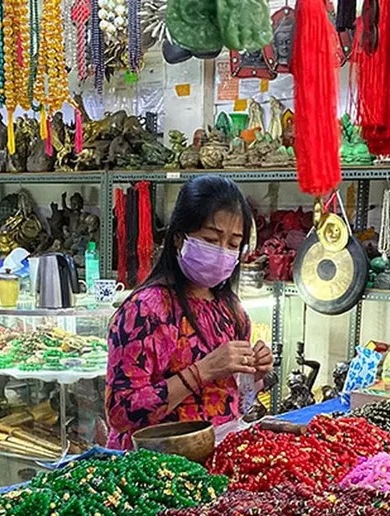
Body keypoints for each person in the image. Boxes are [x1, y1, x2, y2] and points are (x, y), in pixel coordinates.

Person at [106, 175, 273, 449]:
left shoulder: (232, 310)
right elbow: (121, 413)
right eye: (211, 239)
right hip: (156, 463)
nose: (222, 253)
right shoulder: (145, 310)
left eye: (233, 245)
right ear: (178, 238)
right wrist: (203, 370)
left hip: (217, 453)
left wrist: (253, 372)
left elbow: (237, 400)